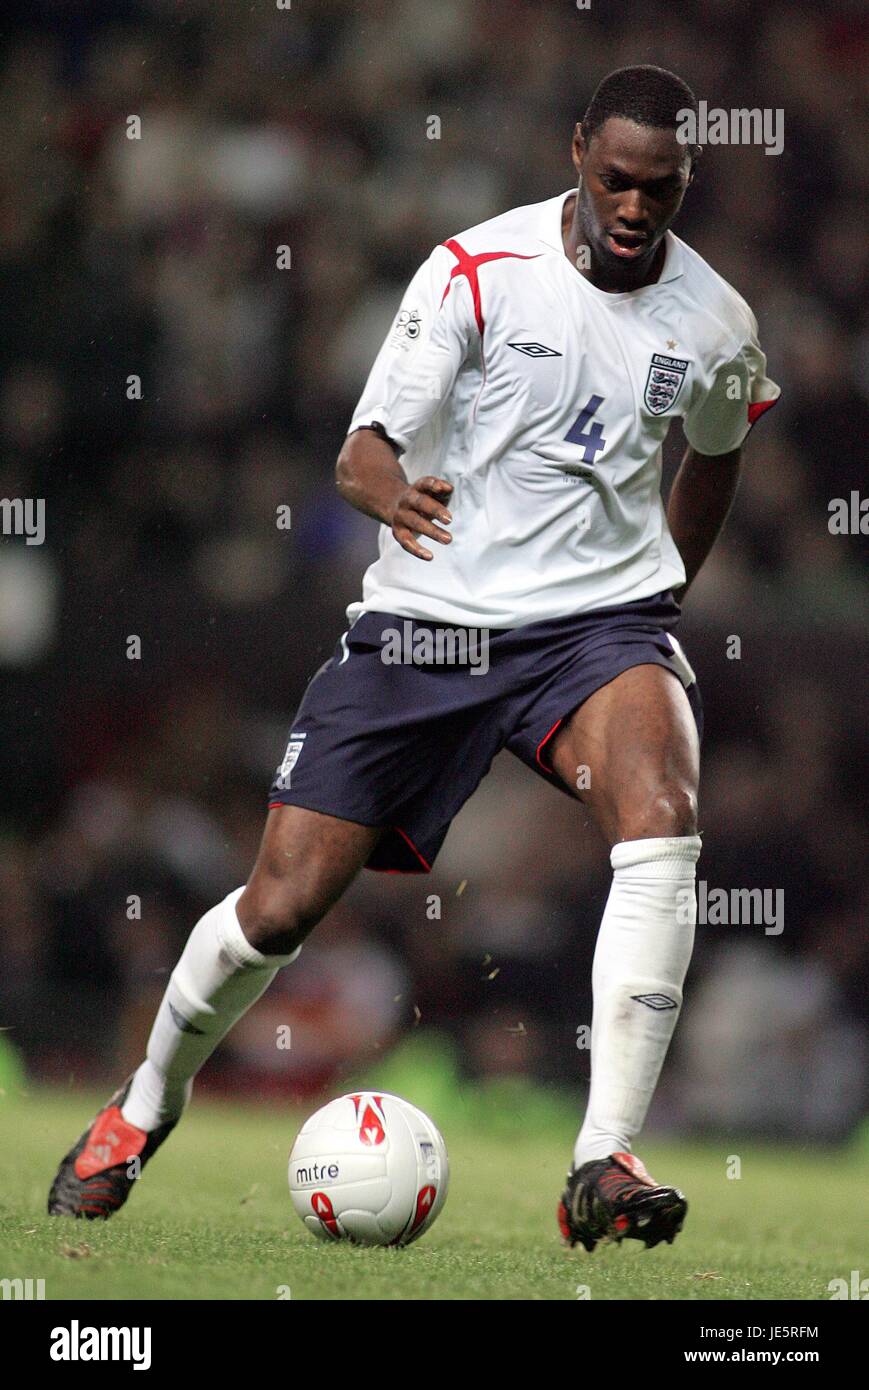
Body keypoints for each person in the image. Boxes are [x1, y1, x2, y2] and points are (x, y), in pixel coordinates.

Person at [49, 65, 779, 1252]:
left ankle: (602, 1155)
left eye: (660, 188)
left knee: (663, 810)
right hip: (428, 622)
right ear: (576, 151)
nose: (634, 208)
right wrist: (392, 496)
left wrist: (663, 589)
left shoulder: (716, 322)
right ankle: (142, 1109)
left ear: (686, 178)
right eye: (613, 181)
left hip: (591, 631)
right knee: (278, 909)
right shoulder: (475, 270)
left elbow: (716, 447)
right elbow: (361, 453)